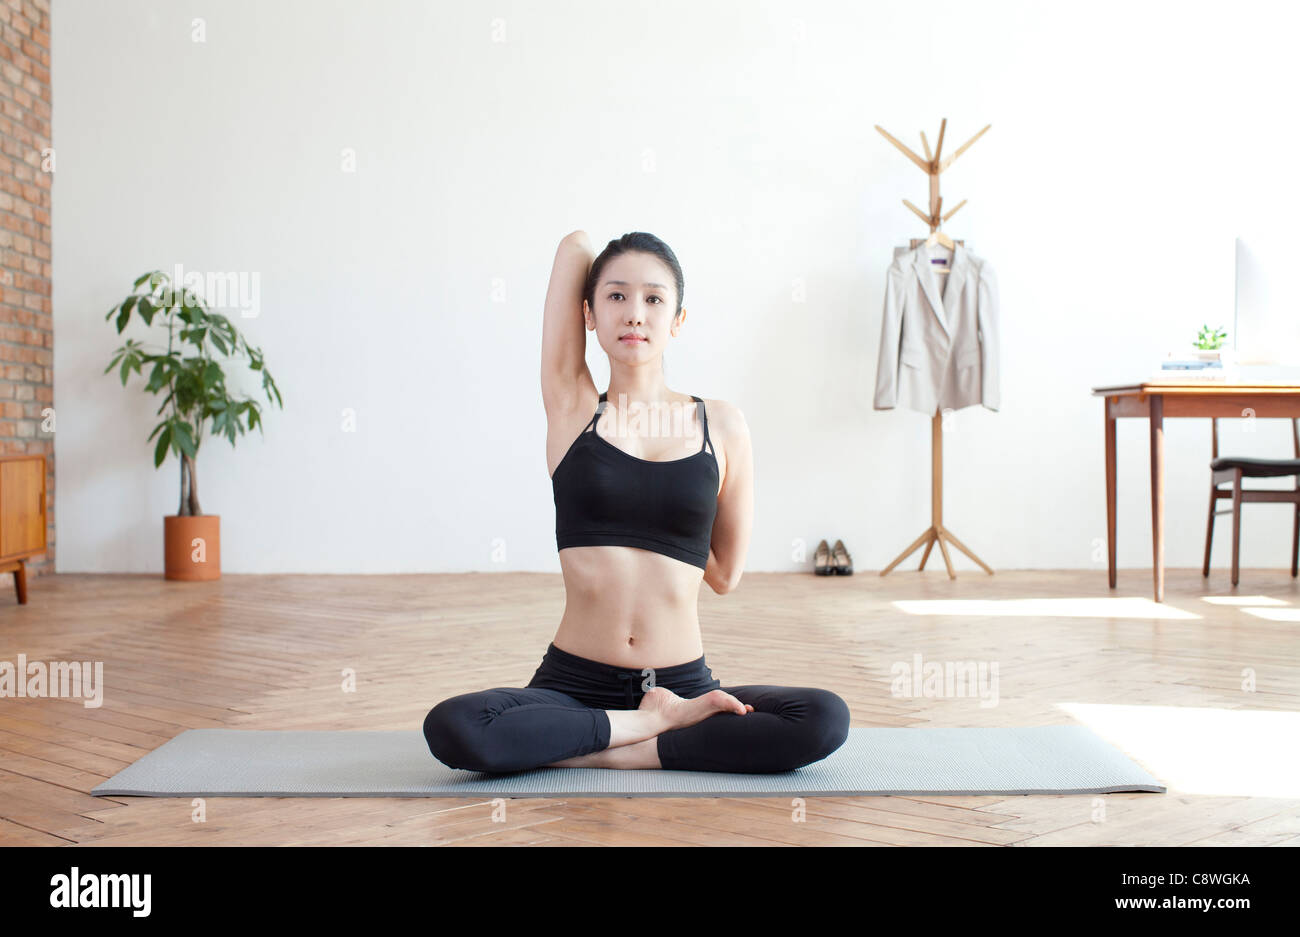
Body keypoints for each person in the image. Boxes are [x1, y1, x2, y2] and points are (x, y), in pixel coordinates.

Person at [422, 230, 850, 773]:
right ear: (589, 314)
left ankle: (605, 750)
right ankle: (648, 731)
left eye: (653, 299)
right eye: (616, 296)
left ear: (678, 320)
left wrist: (670, 529)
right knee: (456, 726)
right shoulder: (573, 408)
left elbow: (724, 575)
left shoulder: (721, 425)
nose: (634, 314)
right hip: (574, 686)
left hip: (683, 684)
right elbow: (575, 247)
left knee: (822, 716)